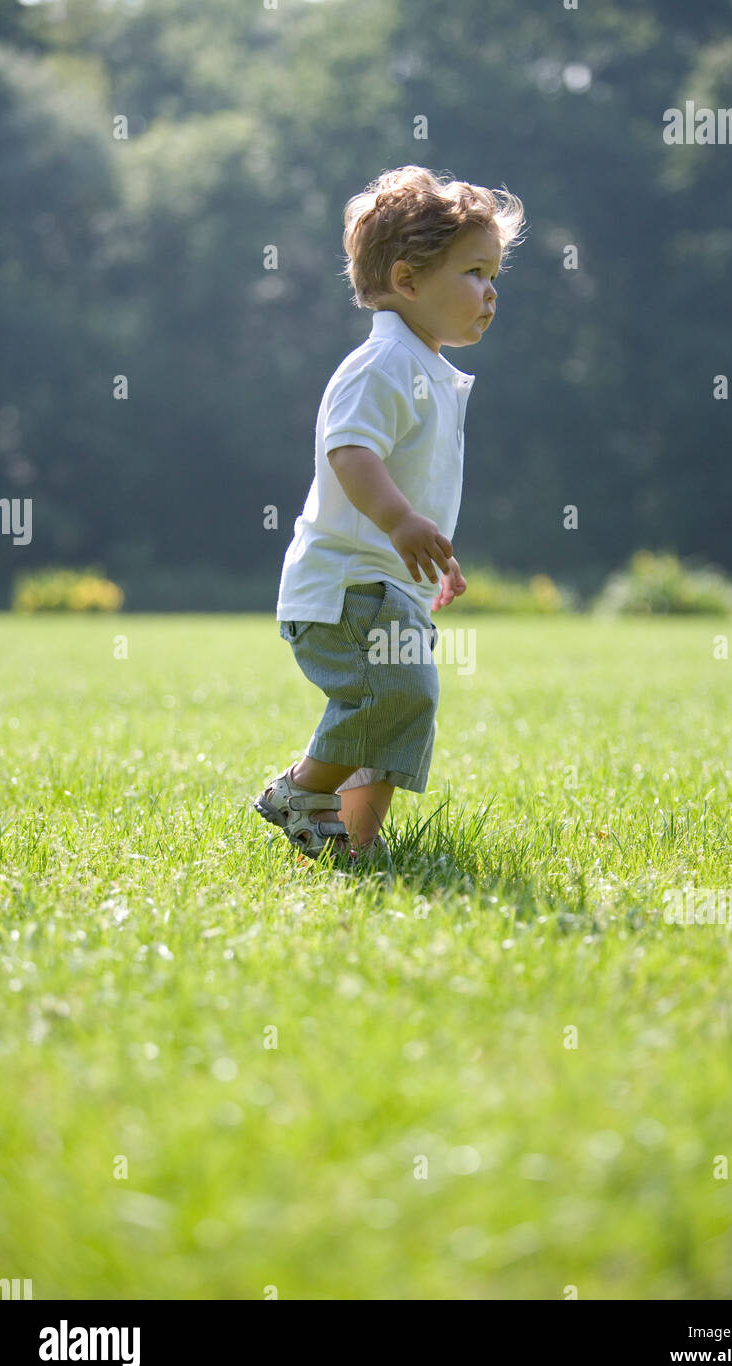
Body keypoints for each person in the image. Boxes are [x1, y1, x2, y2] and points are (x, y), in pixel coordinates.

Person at [253, 165, 526, 865]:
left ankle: (354, 844)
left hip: (389, 588)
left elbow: (420, 487)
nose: (491, 291)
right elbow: (351, 453)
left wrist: (432, 552)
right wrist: (402, 524)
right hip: (345, 588)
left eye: (495, 273)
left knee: (403, 709)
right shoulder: (382, 365)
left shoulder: (426, 367)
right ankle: (298, 791)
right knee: (395, 693)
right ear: (408, 282)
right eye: (473, 272)